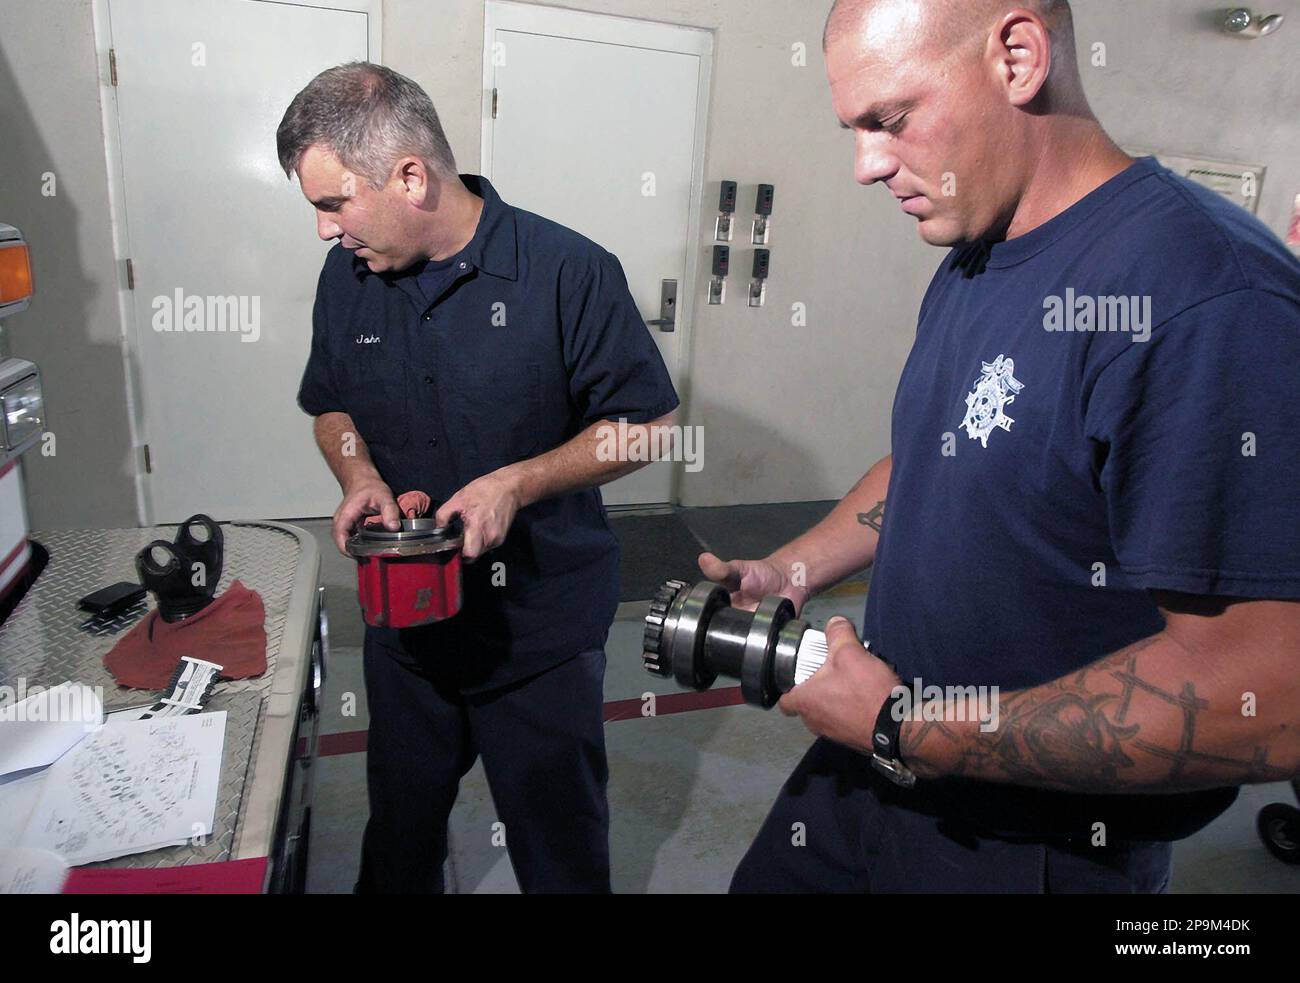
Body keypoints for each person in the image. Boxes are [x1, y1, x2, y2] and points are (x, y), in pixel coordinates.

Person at [708, 0, 1300, 892]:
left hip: (1035, 845)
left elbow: (1270, 698)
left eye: (890, 120)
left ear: (1018, 57)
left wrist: (909, 724)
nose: (866, 165)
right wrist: (795, 566)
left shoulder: (1208, 302)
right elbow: (941, 453)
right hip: (875, 774)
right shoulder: (978, 251)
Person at [277, 62, 679, 893]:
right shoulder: (347, 277)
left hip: (537, 632)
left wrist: (518, 483)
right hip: (406, 630)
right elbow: (331, 408)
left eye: (333, 202)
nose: (325, 230)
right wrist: (359, 475)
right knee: (398, 837)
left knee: (559, 854)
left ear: (411, 176)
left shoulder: (569, 272)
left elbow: (649, 427)